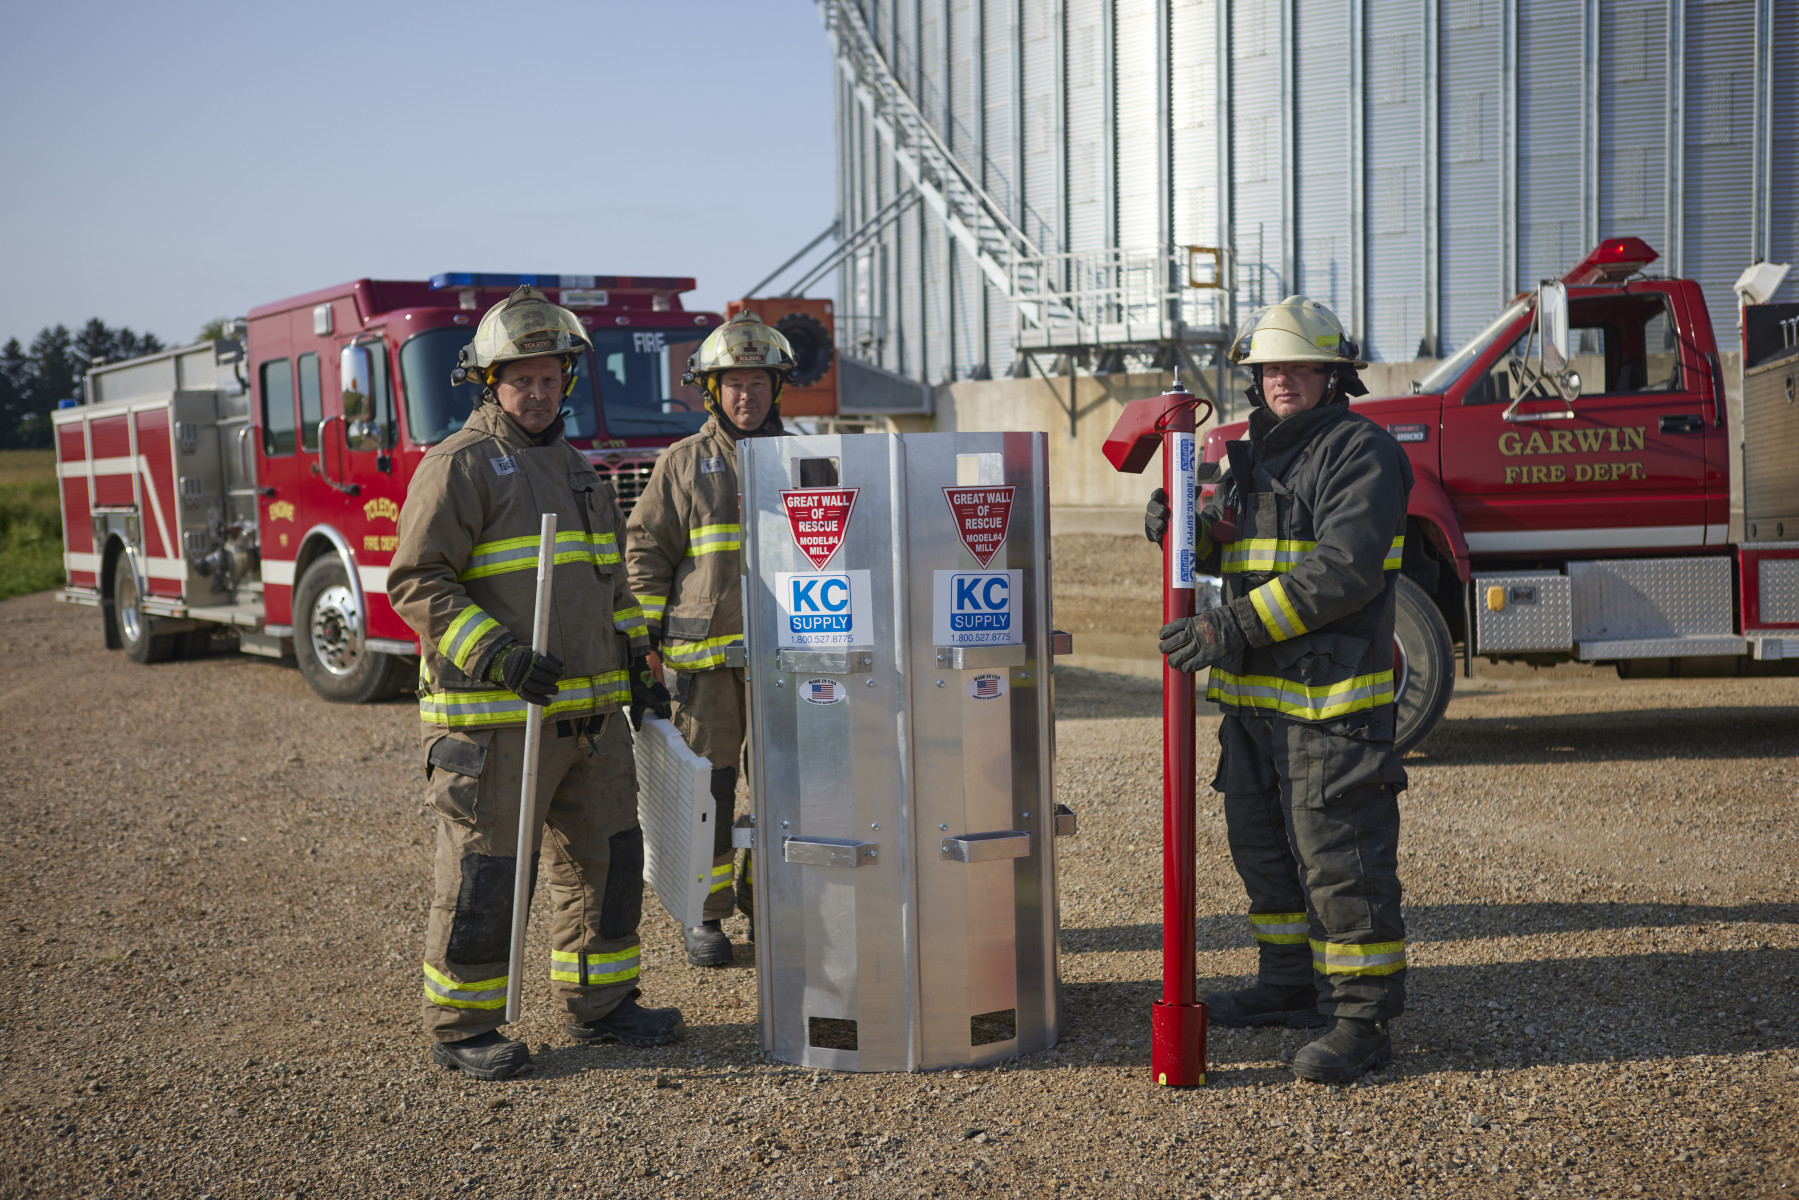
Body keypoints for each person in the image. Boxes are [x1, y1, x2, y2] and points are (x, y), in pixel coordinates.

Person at [389, 285, 677, 1081]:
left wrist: (638, 665)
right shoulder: (459, 465)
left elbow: (612, 585)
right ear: (491, 383)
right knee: (486, 874)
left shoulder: (580, 472)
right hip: (495, 723)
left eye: (551, 379)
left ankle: (602, 1002)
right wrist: (499, 654)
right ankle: (463, 1027)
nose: (540, 393)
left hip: (590, 721)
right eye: (522, 381)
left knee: (606, 864)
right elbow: (417, 581)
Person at [1147, 295, 1414, 1084]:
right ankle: (1289, 985)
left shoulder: (1359, 452)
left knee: (1341, 862)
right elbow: (1244, 551)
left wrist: (1226, 628)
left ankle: (1362, 1021)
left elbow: (1342, 570)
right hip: (1254, 707)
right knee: (1263, 853)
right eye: (1269, 367)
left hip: (1329, 705)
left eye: (1299, 365)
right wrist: (1186, 532)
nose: (1281, 379)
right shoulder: (1253, 454)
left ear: (1333, 375)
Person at [625, 310, 794, 966]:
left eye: (757, 382)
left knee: (791, 787)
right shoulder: (683, 464)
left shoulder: (806, 460)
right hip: (706, 668)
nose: (746, 395)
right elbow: (645, 554)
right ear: (711, 392)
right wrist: (642, 643)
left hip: (790, 660)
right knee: (711, 795)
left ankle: (774, 900)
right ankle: (706, 914)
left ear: (776, 388)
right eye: (734, 384)